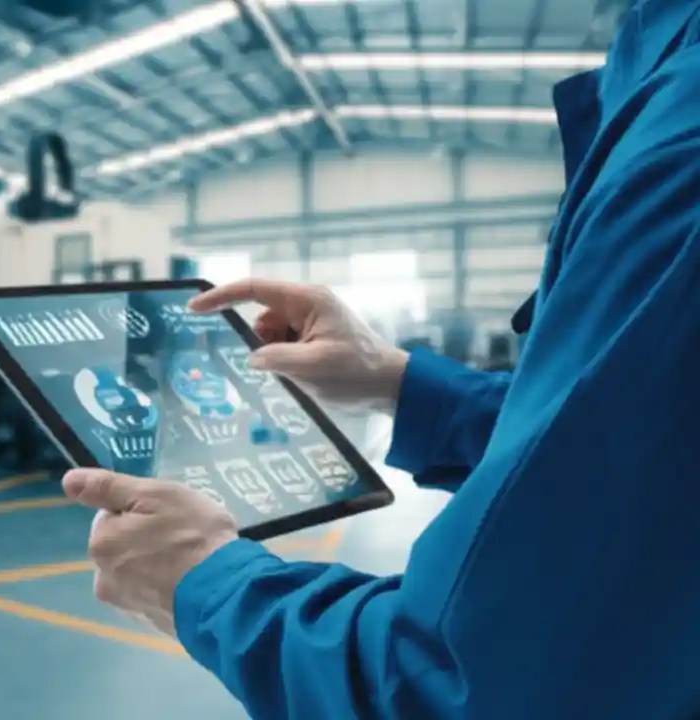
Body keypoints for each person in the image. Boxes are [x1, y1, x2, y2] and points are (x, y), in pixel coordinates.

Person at [62, 2, 700, 717]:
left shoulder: (681, 135)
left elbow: (470, 687)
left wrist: (206, 583)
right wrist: (398, 382)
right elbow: (629, 442)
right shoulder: (655, 72)